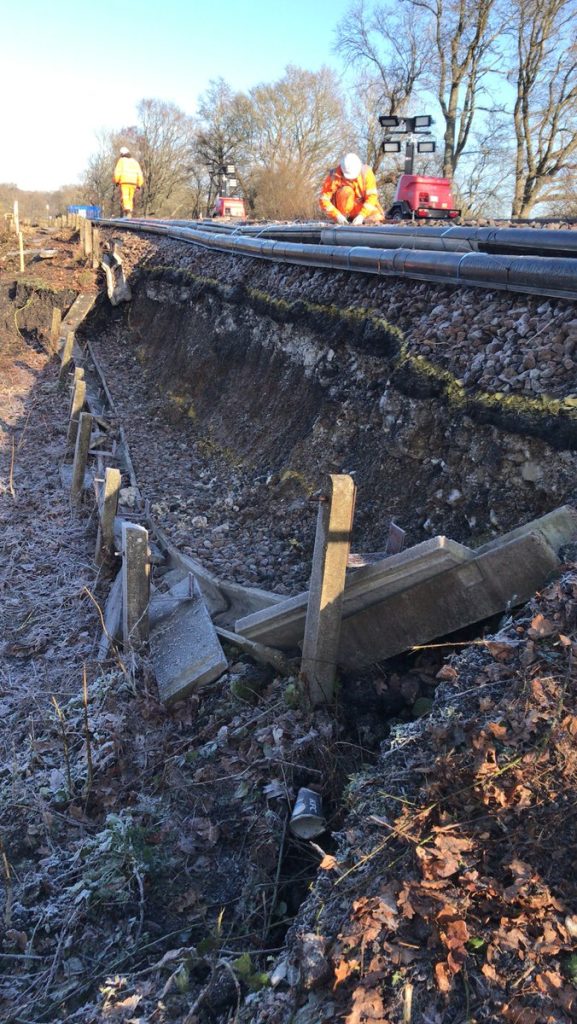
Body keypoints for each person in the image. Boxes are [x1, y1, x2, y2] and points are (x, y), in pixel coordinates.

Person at [319, 152, 384, 225]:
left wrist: (361, 216)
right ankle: (347, 219)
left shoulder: (366, 173)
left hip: (362, 208)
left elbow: (372, 197)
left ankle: (359, 218)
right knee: (346, 191)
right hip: (344, 212)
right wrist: (337, 215)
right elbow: (324, 200)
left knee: (377, 217)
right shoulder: (334, 176)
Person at [113, 147, 144, 218]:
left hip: (124, 181)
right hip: (133, 182)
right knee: (130, 197)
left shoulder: (121, 161)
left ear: (122, 154)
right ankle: (130, 211)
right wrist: (139, 184)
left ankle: (127, 211)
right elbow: (139, 173)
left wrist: (117, 181)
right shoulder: (135, 162)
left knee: (125, 196)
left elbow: (117, 172)